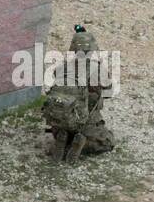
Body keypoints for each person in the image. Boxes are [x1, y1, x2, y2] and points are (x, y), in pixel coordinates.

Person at [43, 24, 115, 163]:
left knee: (64, 128)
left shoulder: (61, 67)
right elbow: (108, 92)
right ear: (92, 49)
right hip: (85, 120)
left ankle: (62, 139)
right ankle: (80, 142)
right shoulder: (97, 70)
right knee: (107, 142)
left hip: (60, 118)